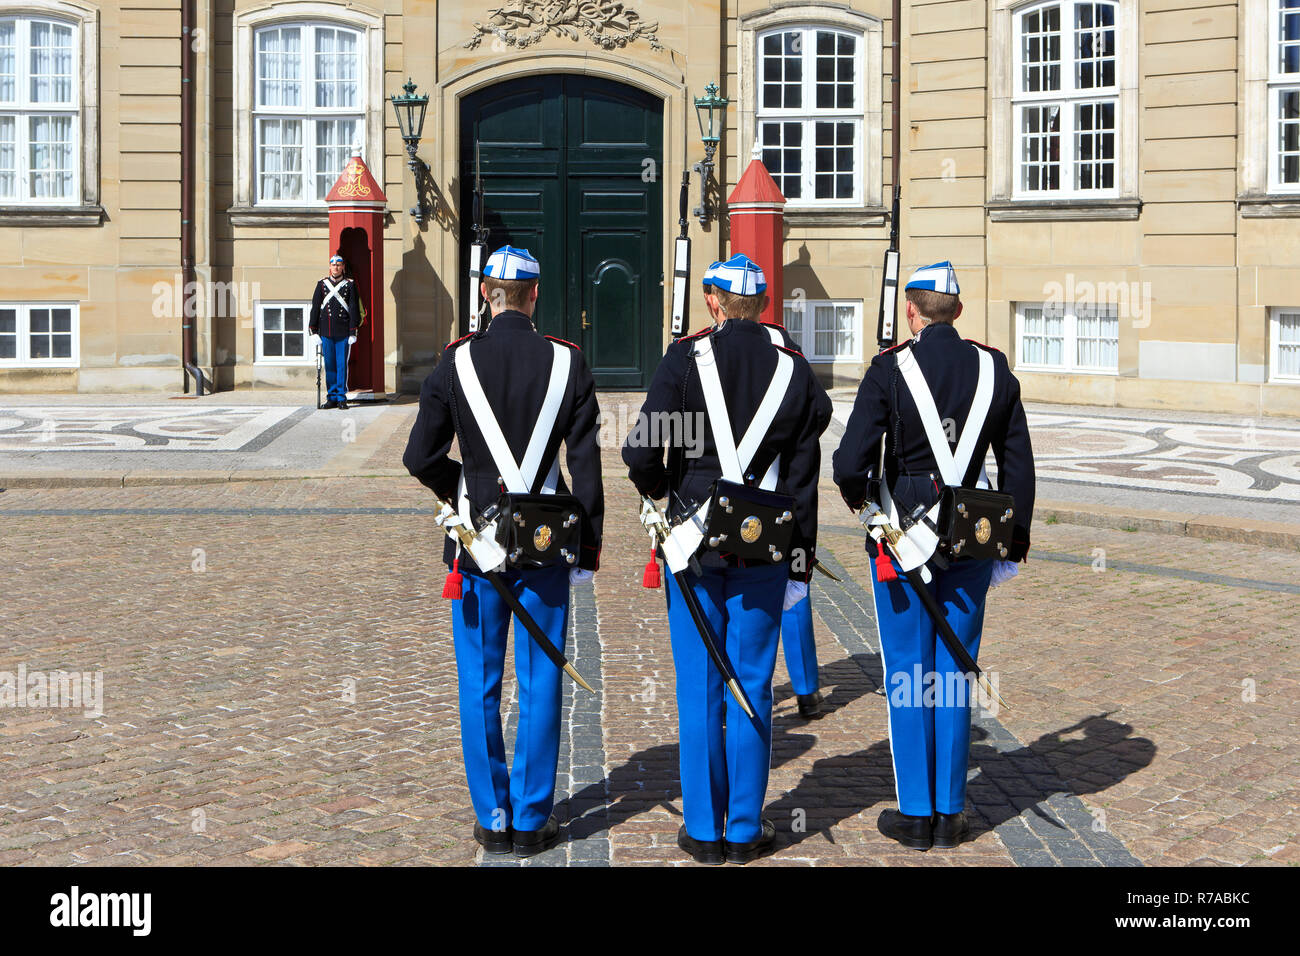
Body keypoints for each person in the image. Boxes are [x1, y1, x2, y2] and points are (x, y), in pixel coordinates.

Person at [624, 253, 829, 865]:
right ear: (762, 304)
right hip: (764, 545)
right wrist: (801, 556)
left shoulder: (685, 360)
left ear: (714, 301)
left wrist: (666, 493)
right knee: (754, 684)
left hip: (691, 543)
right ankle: (744, 828)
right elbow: (805, 475)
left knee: (699, 688)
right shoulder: (793, 368)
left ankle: (704, 828)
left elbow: (639, 454)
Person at [403, 245, 604, 858]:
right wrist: (588, 543)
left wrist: (460, 487)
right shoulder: (568, 363)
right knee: (542, 678)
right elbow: (587, 464)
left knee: (479, 681)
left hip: (476, 548)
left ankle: (493, 813)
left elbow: (418, 456)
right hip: (547, 543)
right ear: (535, 295)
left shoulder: (456, 360)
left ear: (486, 293)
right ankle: (533, 815)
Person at [832, 260, 1035, 851]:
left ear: (912, 311)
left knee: (907, 671)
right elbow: (1017, 463)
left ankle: (915, 810)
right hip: (973, 533)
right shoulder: (995, 369)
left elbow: (848, 463)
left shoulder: (890, 369)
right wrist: (1012, 541)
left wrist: (864, 502)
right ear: (960, 312)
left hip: (902, 535)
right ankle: (951, 811)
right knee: (954, 667)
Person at [702, 262, 833, 719]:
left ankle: (775, 689)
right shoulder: (782, 343)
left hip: (721, 495)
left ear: (715, 300)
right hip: (772, 489)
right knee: (788, 581)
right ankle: (806, 685)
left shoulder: (701, 349)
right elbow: (818, 413)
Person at [309, 254, 360, 409]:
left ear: (343, 267)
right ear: (329, 267)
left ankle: (341, 397)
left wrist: (353, 331)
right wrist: (313, 330)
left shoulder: (350, 285)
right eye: (333, 265)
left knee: (341, 365)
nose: (336, 267)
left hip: (343, 332)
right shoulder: (322, 284)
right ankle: (331, 397)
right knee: (329, 365)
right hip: (326, 332)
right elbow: (315, 307)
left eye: (339, 265)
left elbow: (353, 309)